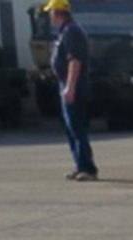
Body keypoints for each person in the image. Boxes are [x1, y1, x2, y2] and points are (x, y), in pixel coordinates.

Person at [44, 0, 97, 181]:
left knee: (77, 127)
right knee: (71, 128)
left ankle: (88, 168)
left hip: (74, 84)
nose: (49, 15)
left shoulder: (71, 32)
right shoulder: (65, 32)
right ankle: (79, 165)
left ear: (57, 12)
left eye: (50, 12)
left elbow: (75, 61)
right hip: (67, 83)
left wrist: (70, 86)